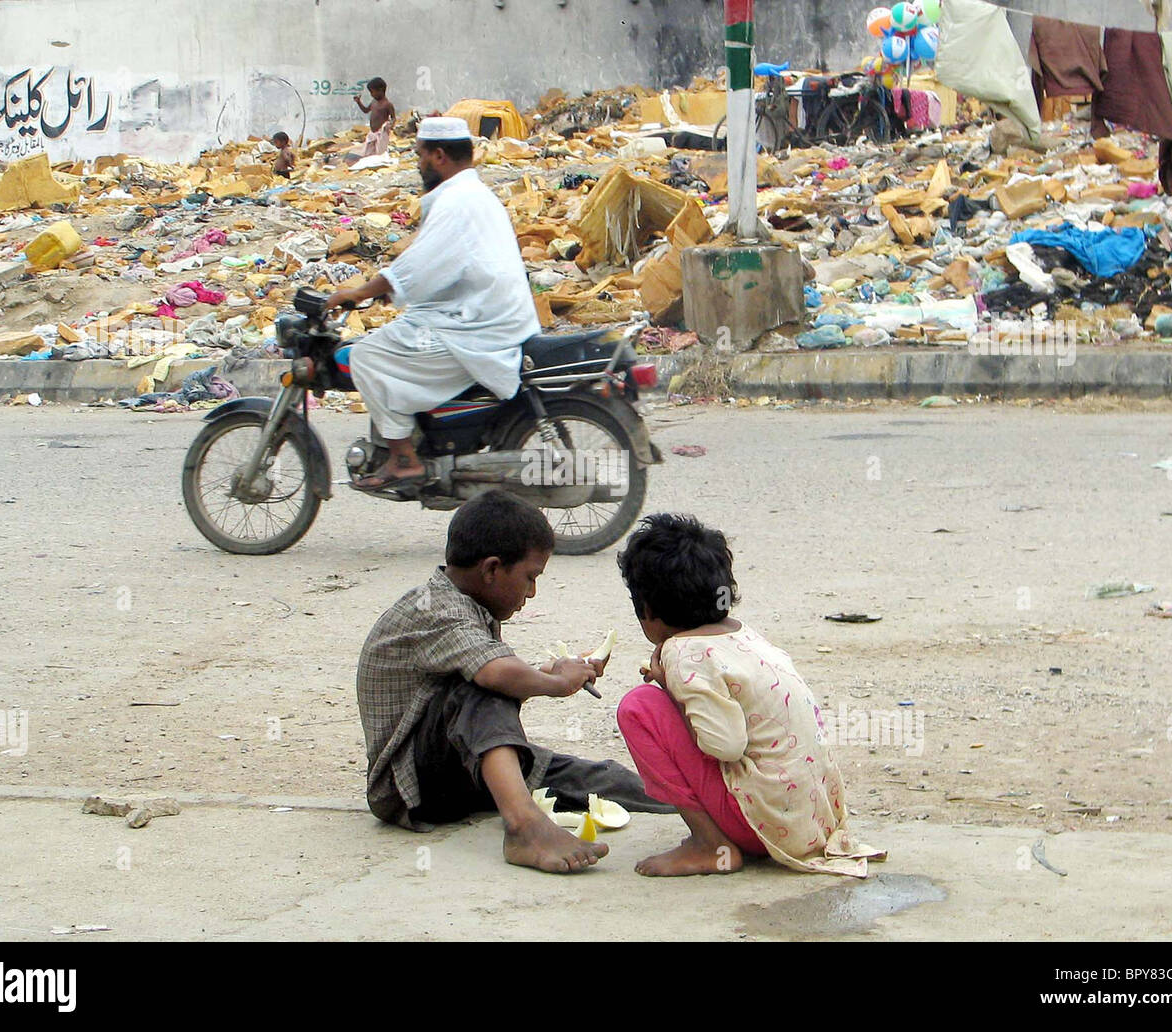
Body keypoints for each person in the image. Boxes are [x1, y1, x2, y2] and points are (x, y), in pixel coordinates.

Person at [357, 490, 673, 873]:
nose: (532, 592)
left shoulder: (464, 606)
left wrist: (554, 670)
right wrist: (558, 683)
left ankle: (705, 803)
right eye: (530, 577)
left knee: (597, 778)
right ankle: (524, 826)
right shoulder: (437, 609)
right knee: (485, 688)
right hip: (411, 788)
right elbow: (497, 674)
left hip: (463, 765)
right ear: (491, 569)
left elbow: (499, 672)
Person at [615, 514, 886, 878]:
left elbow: (725, 745)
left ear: (646, 609)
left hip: (767, 823)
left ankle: (713, 846)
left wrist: (671, 690)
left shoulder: (682, 651)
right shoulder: (743, 635)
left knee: (639, 707)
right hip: (808, 822)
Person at [325, 117, 539, 492]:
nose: (418, 164)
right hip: (481, 315)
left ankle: (405, 459)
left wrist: (359, 292)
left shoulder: (459, 202)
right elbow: (437, 267)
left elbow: (420, 266)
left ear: (439, 156)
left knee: (366, 356)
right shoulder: (471, 196)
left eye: (420, 156)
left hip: (477, 327)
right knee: (396, 336)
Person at [355, 77, 395, 156]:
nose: (371, 94)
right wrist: (359, 102)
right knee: (367, 153)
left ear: (380, 90)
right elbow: (366, 110)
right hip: (372, 133)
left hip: (381, 134)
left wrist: (390, 125)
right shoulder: (373, 102)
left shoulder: (387, 104)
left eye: (372, 92)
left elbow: (393, 118)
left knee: (380, 154)